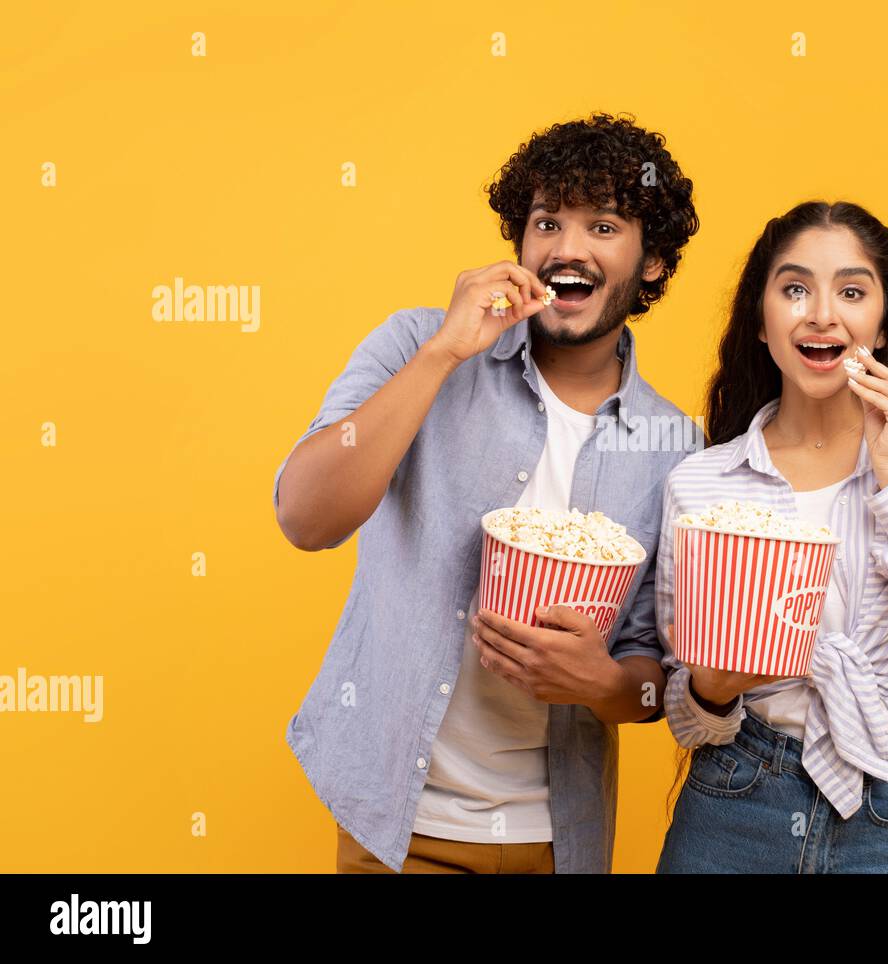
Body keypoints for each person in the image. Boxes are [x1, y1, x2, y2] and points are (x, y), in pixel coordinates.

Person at [273, 112, 702, 874]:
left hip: (556, 839)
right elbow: (305, 518)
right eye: (547, 222)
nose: (567, 247)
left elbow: (655, 685)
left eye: (603, 226)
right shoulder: (418, 344)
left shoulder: (676, 449)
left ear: (655, 263)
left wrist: (602, 683)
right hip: (396, 824)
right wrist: (444, 353)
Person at [654, 200, 888, 873]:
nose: (821, 314)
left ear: (883, 321)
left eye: (851, 291)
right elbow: (686, 712)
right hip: (734, 800)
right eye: (795, 289)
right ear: (761, 322)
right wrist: (715, 689)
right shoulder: (701, 483)